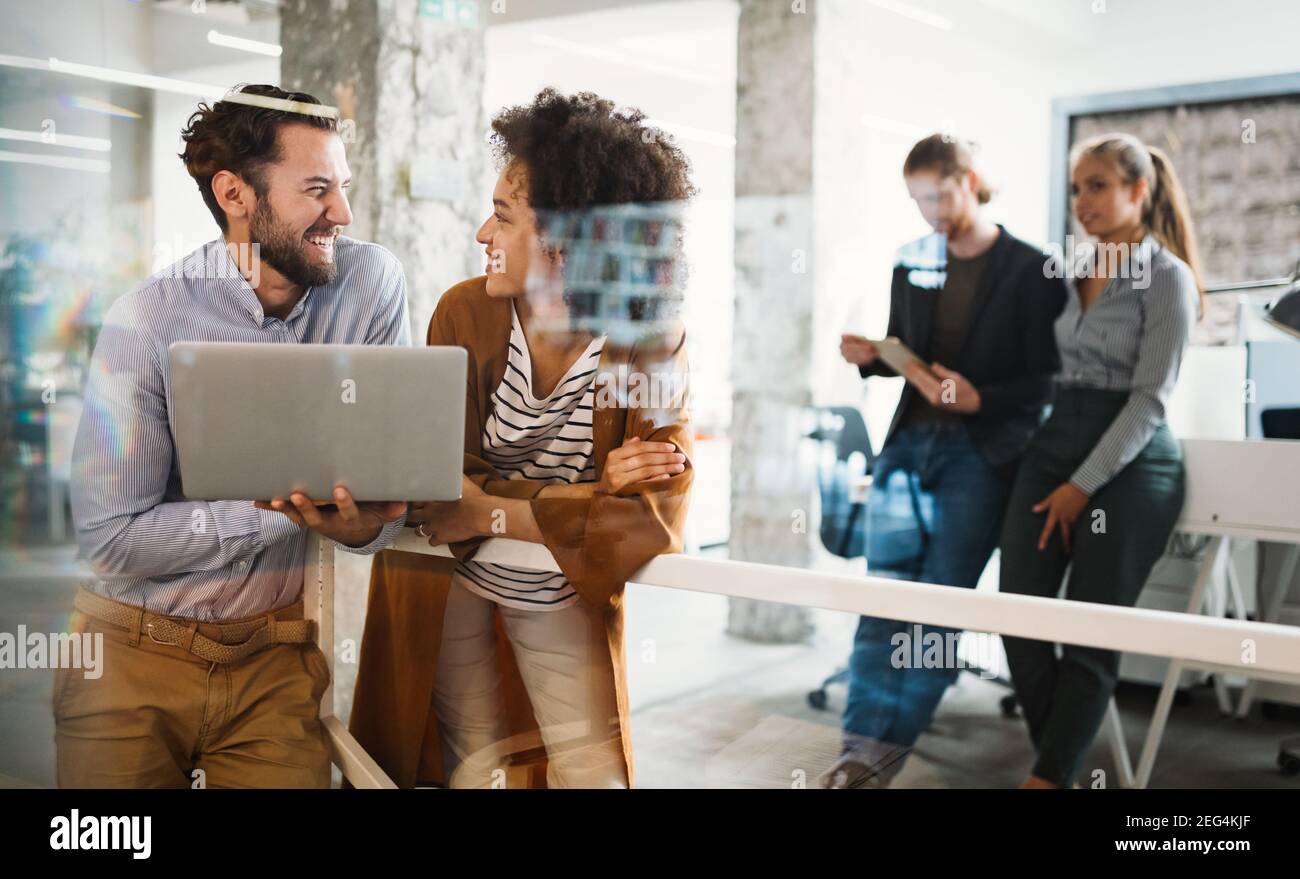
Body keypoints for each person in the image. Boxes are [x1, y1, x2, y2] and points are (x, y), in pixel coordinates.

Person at [61, 84, 410, 788]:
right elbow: (109, 536)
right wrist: (271, 504)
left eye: (342, 187)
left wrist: (361, 523)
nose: (340, 212)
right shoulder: (147, 322)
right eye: (316, 189)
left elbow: (379, 503)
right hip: (131, 651)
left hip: (275, 658)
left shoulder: (371, 286)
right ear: (235, 193)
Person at [348, 89, 695, 789]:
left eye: (503, 217)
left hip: (562, 597)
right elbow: (438, 484)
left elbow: (652, 517)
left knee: (592, 774)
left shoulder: (650, 341)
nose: (483, 233)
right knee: (469, 768)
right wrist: (590, 494)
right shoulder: (462, 312)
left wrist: (489, 508)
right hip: (452, 588)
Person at [828, 134, 1066, 787]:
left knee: (936, 610)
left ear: (970, 179)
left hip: (981, 455)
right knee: (882, 601)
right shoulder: (912, 259)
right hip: (910, 444)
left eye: (937, 194)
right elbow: (913, 356)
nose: (928, 211)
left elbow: (1048, 383)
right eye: (916, 199)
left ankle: (881, 759)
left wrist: (981, 396)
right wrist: (874, 357)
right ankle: (857, 755)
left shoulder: (1031, 268)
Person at [999, 133, 1201, 789]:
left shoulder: (1166, 277)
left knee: (1091, 630)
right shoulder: (1068, 271)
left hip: (1133, 462)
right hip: (1058, 438)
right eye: (1076, 187)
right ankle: (1057, 760)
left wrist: (1081, 486)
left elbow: (1150, 401)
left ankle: (1047, 778)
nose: (1082, 201)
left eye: (1098, 186)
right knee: (1017, 611)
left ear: (1139, 191)